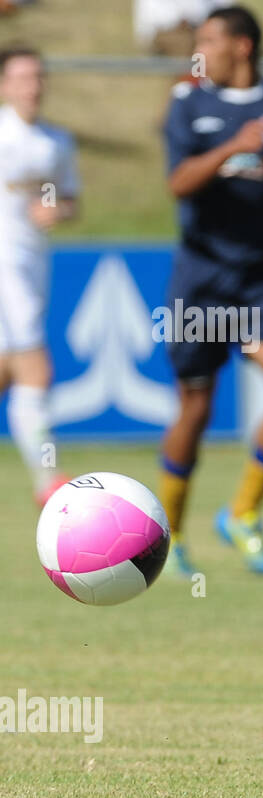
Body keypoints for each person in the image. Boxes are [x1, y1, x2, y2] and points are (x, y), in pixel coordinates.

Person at [158, 6, 263, 577]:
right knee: (194, 410)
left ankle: (242, 513)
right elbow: (178, 184)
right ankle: (169, 534)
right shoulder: (187, 102)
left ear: (242, 47)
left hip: (257, 280)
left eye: (209, 41)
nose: (200, 53)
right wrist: (231, 148)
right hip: (200, 282)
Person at [0, 46, 78, 506]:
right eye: (22, 77)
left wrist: (59, 211)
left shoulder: (56, 142)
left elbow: (70, 200)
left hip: (33, 267)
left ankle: (45, 476)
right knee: (35, 367)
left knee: (12, 371)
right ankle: (48, 479)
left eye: (38, 76)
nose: (33, 85)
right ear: (6, 85)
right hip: (3, 266)